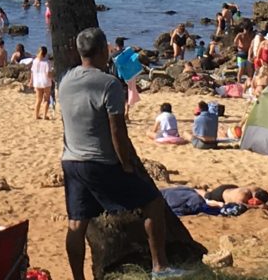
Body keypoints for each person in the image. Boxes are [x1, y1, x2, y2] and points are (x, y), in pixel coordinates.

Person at [60, 27, 184, 280]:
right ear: (104, 50)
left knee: (76, 224)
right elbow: (117, 128)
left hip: (71, 160)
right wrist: (126, 163)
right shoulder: (109, 84)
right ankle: (160, 267)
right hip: (101, 161)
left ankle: (78, 278)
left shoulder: (66, 80)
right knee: (153, 202)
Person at [31, 46, 53, 120]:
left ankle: (36, 115)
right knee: (46, 99)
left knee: (38, 99)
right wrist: (53, 77)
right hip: (46, 82)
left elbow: (32, 72)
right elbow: (48, 74)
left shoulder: (35, 61)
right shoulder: (47, 62)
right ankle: (44, 115)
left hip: (37, 81)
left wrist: (31, 81)